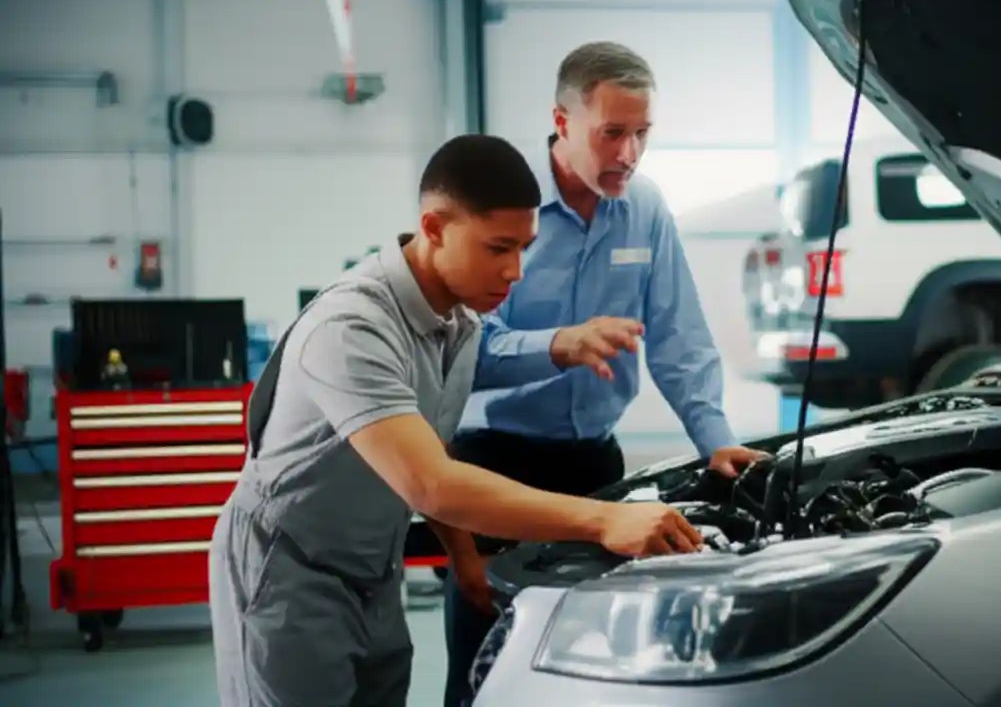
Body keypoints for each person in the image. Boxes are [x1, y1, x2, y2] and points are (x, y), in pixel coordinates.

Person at [207, 133, 704, 707]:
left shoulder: (458, 323)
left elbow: (429, 447)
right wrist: (604, 519)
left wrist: (466, 559)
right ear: (436, 227)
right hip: (289, 567)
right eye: (498, 248)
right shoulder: (351, 329)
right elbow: (430, 484)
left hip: (372, 570)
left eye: (524, 248)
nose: (515, 271)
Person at [436, 41, 769, 706]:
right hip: (494, 466)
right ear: (561, 122)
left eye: (643, 134)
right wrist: (557, 344)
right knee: (485, 670)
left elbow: (680, 337)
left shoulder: (645, 208)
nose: (629, 154)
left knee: (594, 671)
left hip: (597, 470)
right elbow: (459, 354)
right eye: (611, 133)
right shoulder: (498, 207)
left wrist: (716, 439)